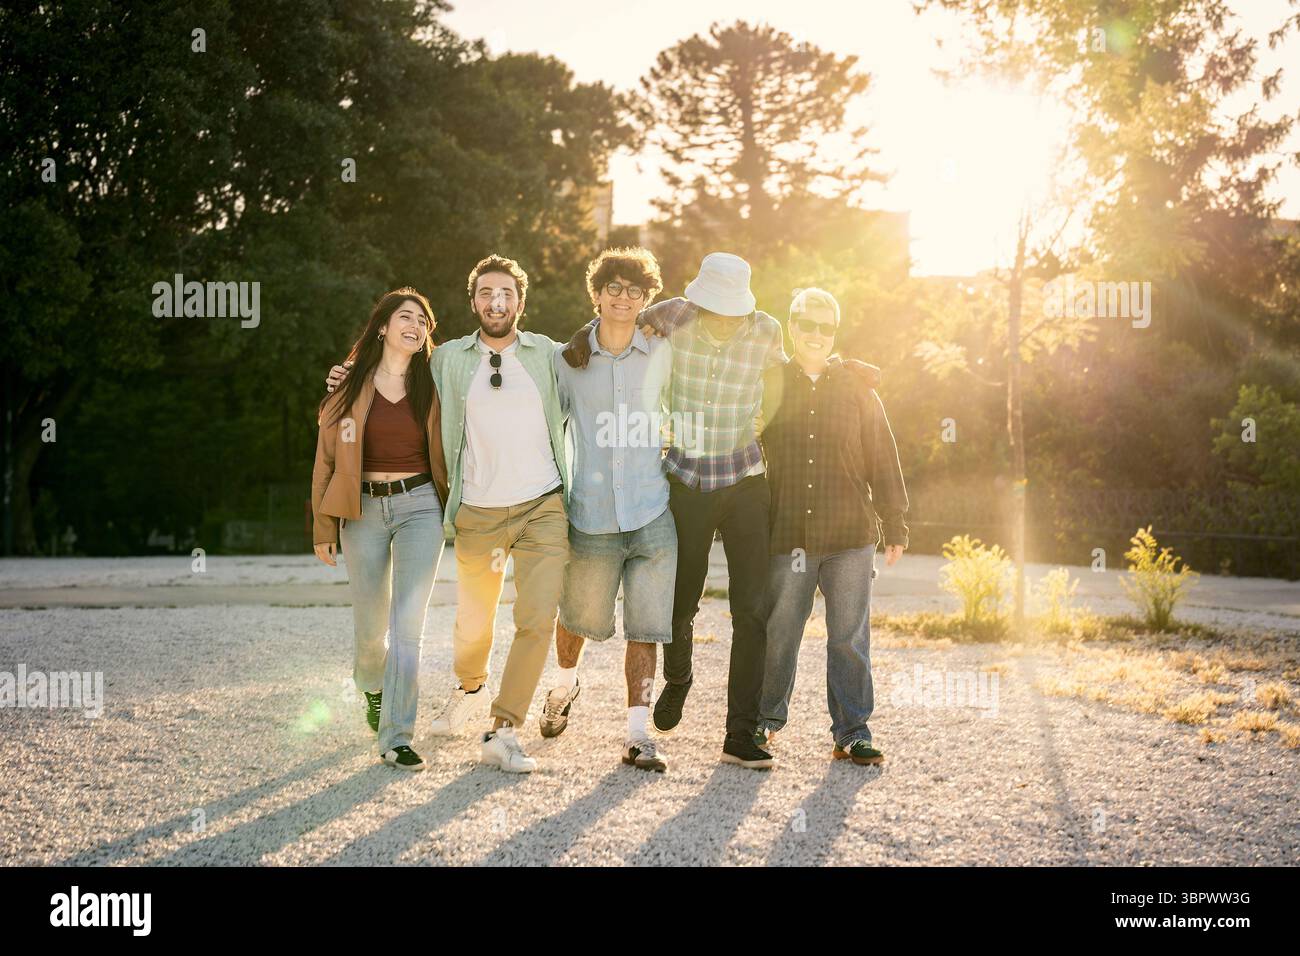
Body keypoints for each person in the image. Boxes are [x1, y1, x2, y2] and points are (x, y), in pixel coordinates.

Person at [328, 255, 570, 774]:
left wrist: (663, 317)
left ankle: (491, 729)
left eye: (506, 293)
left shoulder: (549, 354)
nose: (496, 302)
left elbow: (600, 357)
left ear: (521, 301)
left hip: (525, 504)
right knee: (450, 628)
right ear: (474, 301)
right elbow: (340, 440)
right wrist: (347, 374)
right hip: (465, 510)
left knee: (524, 620)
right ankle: (450, 685)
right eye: (486, 292)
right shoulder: (447, 363)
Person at [566, 252, 785, 769]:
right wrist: (578, 339)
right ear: (698, 298)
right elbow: (613, 320)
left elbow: (787, 380)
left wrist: (830, 377)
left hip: (746, 480)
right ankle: (679, 677)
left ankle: (741, 733)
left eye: (731, 309)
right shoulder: (672, 314)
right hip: (687, 480)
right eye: (714, 307)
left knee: (752, 610)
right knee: (678, 605)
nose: (723, 317)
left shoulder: (767, 330)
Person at [756, 288, 908, 765]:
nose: (817, 334)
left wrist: (895, 521)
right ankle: (763, 722)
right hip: (788, 535)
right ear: (793, 324)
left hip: (849, 536)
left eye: (827, 327)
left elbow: (882, 456)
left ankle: (852, 731)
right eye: (808, 324)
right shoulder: (770, 382)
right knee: (781, 630)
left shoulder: (859, 389)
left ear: (834, 332)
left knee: (849, 635)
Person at [542, 247, 676, 772]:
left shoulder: (662, 353)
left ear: (647, 299)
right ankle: (563, 685)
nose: (623, 298)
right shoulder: (567, 360)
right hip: (591, 517)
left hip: (651, 514)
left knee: (645, 629)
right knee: (578, 620)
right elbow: (543, 425)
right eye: (613, 289)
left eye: (635, 291)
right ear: (596, 295)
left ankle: (638, 736)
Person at [312, 288, 449, 772]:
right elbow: (326, 457)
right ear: (383, 328)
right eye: (405, 316)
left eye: (424, 320)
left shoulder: (437, 381)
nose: (415, 324)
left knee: (408, 626)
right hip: (362, 510)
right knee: (371, 631)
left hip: (420, 507)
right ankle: (371, 687)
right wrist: (322, 524)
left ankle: (397, 735)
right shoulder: (348, 384)